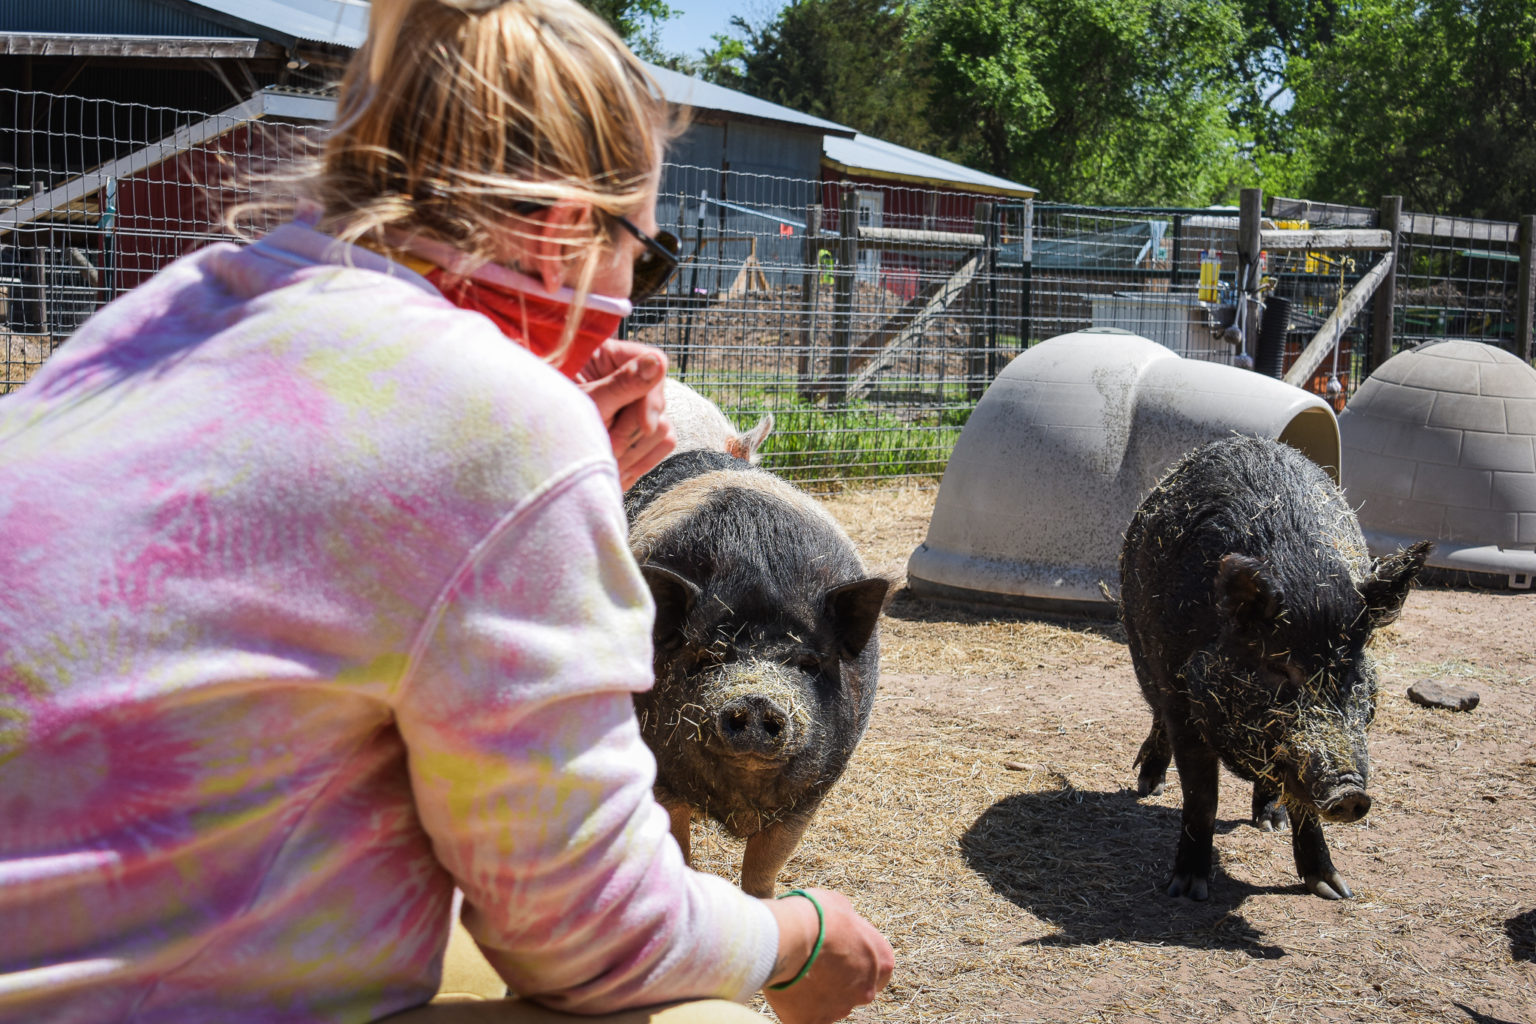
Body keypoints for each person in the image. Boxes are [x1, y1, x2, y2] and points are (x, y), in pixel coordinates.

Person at [0, 1, 894, 1021]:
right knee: (709, 1015)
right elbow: (594, 941)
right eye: (641, 259)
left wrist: (555, 497)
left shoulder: (156, 317)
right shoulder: (499, 426)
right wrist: (794, 935)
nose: (632, 300)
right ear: (566, 230)